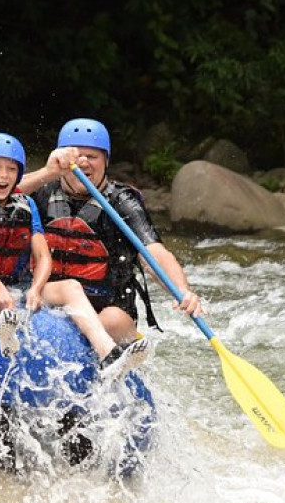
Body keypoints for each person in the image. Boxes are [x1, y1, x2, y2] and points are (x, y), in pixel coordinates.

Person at [0, 132, 152, 379]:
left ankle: (108, 355)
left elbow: (43, 256)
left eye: (11, 169)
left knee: (71, 287)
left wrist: (35, 288)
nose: (3, 175)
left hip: (15, 287)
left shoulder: (26, 204)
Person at [18, 118, 204, 343]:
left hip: (105, 315)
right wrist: (48, 172)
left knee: (115, 319)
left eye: (93, 156)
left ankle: (111, 352)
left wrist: (182, 290)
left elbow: (153, 252)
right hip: (46, 302)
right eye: (77, 156)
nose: (84, 163)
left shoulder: (121, 202)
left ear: (106, 161)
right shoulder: (40, 193)